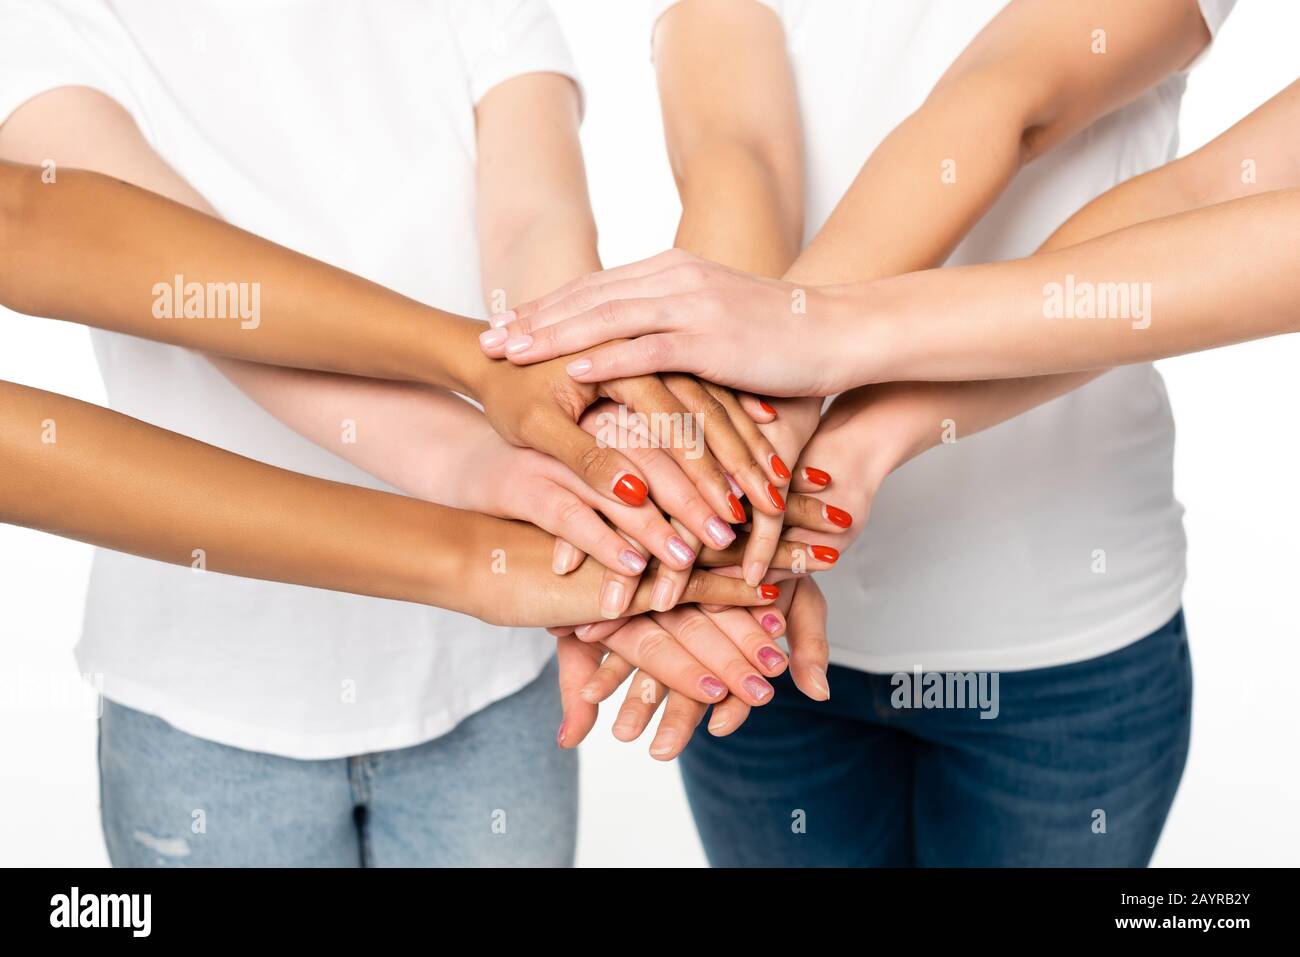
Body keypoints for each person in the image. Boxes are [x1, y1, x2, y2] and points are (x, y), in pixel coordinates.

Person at [0, 0, 808, 866]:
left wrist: (604, 440)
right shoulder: (54, 18)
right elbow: (202, 303)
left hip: (492, 678)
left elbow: (536, 230)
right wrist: (491, 469)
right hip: (213, 698)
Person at [503, 0, 1246, 866]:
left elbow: (1002, 98)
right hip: (752, 624)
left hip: (1057, 637)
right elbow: (733, 157)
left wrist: (766, 404)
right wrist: (716, 446)